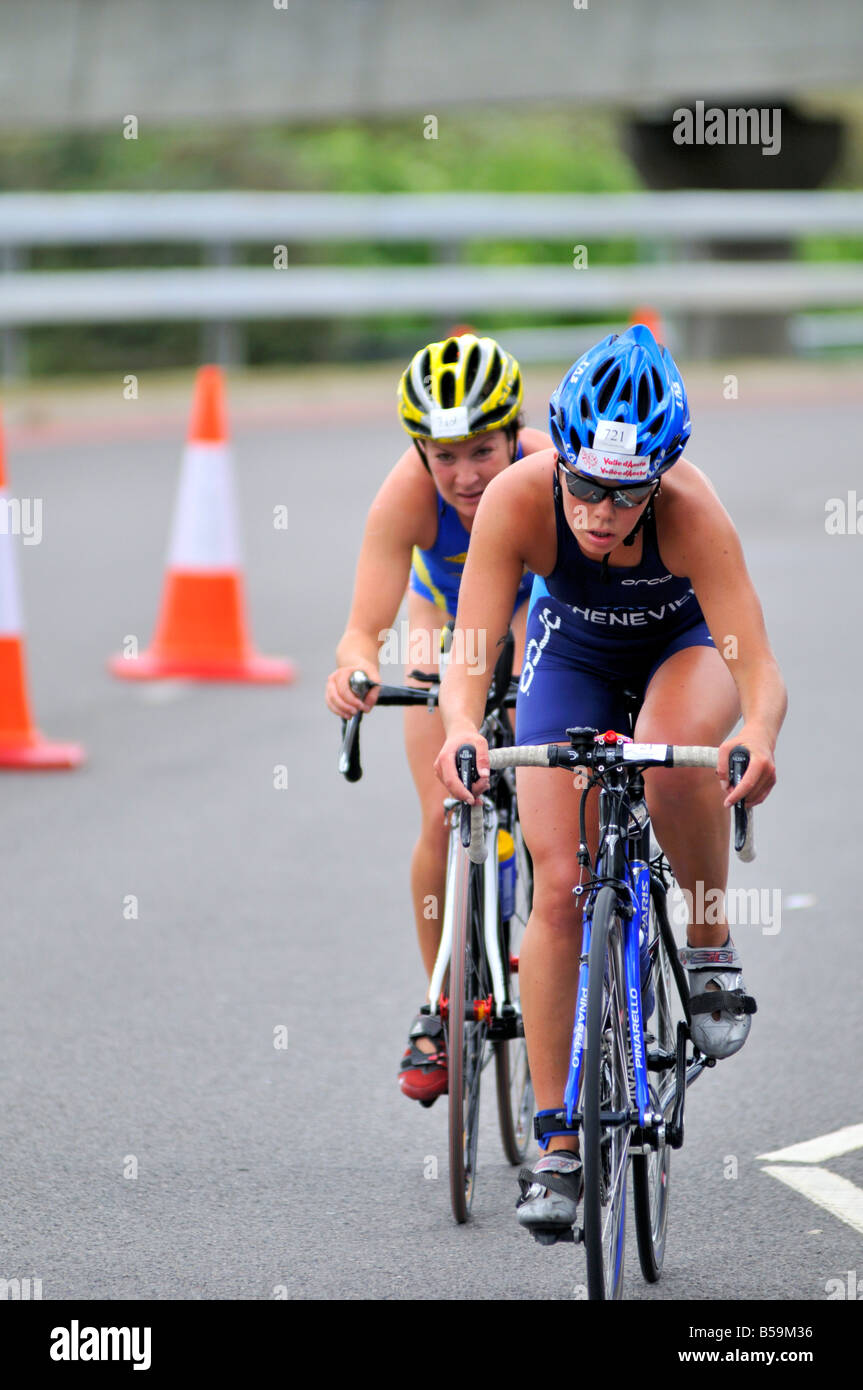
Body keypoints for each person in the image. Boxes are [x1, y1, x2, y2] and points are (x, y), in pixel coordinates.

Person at [434, 324, 787, 1234]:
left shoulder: (691, 510)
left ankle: (707, 943)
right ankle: (555, 1139)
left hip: (681, 651)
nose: (596, 511)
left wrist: (756, 727)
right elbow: (473, 644)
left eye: (623, 495)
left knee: (673, 760)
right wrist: (464, 727)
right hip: (574, 658)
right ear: (558, 459)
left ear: (659, 476)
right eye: (583, 485)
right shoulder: (520, 496)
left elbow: (751, 657)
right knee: (557, 886)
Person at [325, 333, 551, 1104]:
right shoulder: (408, 492)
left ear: (515, 432)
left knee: (541, 727)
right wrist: (355, 671)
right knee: (440, 808)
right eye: (441, 454)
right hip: (444, 611)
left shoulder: (547, 472)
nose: (462, 475)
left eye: (481, 451)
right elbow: (364, 628)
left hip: (535, 605)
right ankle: (443, 1000)